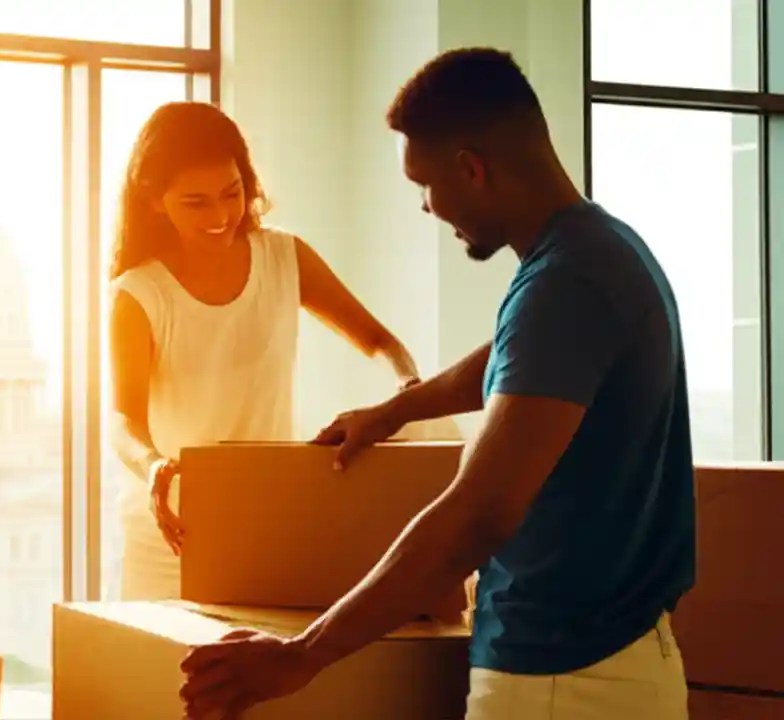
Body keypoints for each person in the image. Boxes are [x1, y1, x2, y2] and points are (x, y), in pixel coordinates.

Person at [179, 47, 694, 720]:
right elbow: (511, 362)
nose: (425, 207)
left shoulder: (566, 284)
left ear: (471, 169)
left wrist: (299, 654)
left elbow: (476, 514)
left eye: (423, 184)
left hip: (564, 680)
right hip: (607, 658)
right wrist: (396, 409)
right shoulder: (598, 252)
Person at [108, 101, 423, 601]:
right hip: (173, 535)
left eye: (231, 193)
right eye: (196, 202)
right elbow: (124, 418)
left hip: (268, 521)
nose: (220, 216)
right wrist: (154, 469)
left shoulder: (284, 257)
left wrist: (408, 392)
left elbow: (380, 341)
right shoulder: (139, 293)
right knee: (164, 675)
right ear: (154, 200)